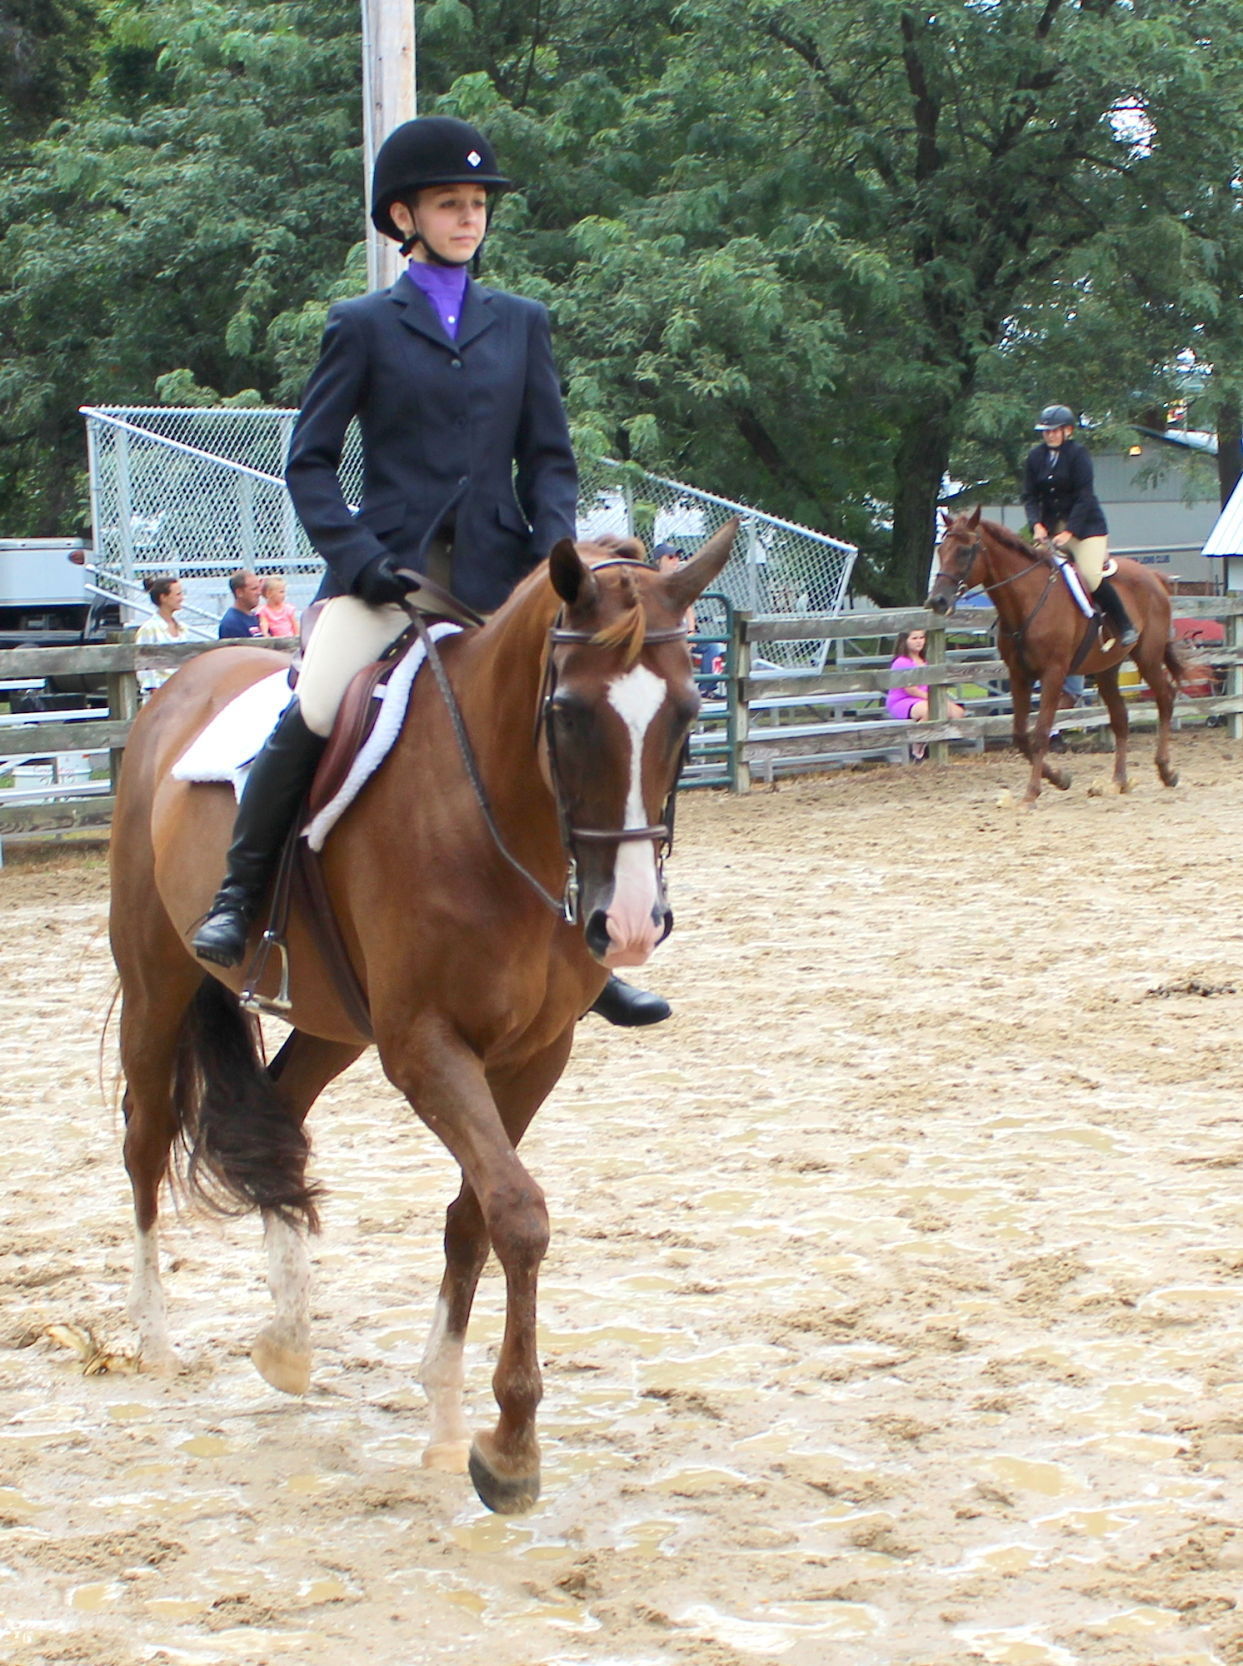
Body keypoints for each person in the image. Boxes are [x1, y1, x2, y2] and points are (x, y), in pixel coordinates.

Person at [192, 115, 668, 1028]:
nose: (469, 218)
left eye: (478, 204)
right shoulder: (363, 326)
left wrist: (552, 558)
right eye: (451, 204)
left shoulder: (520, 324)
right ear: (404, 215)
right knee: (320, 704)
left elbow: (550, 458)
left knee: (575, 734)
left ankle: (587, 948)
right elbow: (311, 461)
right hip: (390, 575)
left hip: (505, 577)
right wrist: (359, 560)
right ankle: (237, 898)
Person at [1022, 404, 1137, 648]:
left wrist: (1069, 532)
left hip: (1085, 529)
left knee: (1090, 575)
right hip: (1052, 530)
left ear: (1068, 431)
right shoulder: (1035, 457)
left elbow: (1085, 496)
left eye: (1055, 431)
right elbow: (1029, 496)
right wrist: (1036, 525)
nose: (1050, 435)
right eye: (1046, 431)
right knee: (1034, 573)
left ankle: (1124, 624)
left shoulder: (1078, 454)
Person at [884, 627, 965, 760]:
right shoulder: (902, 662)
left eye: (921, 638)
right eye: (914, 638)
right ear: (905, 641)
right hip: (903, 701)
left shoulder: (926, 661)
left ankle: (937, 744)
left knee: (957, 713)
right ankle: (918, 744)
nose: (919, 642)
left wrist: (941, 700)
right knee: (932, 709)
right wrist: (936, 700)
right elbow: (911, 690)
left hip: (926, 699)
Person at [134, 575, 185, 698]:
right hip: (160, 695)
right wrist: (155, 691)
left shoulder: (182, 628)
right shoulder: (149, 629)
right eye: (178, 594)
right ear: (163, 598)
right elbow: (144, 665)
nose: (182, 598)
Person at [218, 569, 263, 639]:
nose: (259, 593)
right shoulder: (232, 623)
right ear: (239, 592)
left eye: (259, 588)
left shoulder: (256, 617)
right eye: (254, 589)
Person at [257, 574, 299, 639]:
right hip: (276, 639)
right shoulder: (264, 610)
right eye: (281, 592)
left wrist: (297, 635)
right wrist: (265, 633)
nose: (284, 595)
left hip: (290, 637)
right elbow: (264, 623)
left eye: (284, 592)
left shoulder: (287, 608)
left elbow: (295, 624)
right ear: (269, 594)